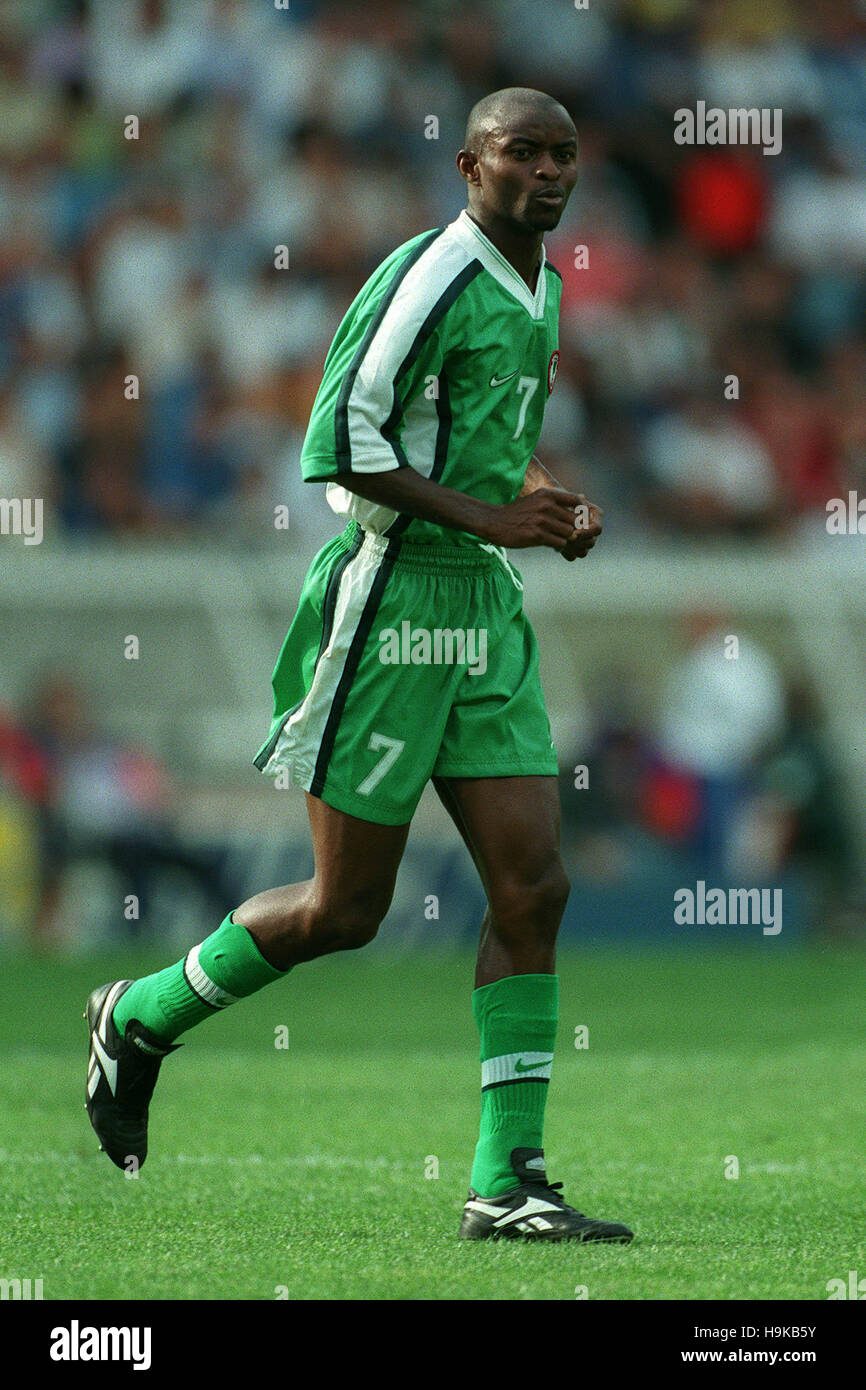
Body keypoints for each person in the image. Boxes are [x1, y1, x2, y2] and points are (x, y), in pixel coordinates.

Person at [84, 87, 633, 1244]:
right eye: (521, 153)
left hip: (482, 611)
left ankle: (507, 1177)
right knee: (347, 909)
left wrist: (541, 501)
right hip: (389, 600)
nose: (546, 172)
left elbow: (482, 439)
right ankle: (137, 1014)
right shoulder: (426, 274)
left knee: (533, 887)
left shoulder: (542, 285)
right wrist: (490, 522)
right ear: (467, 165)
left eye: (562, 155)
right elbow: (336, 442)